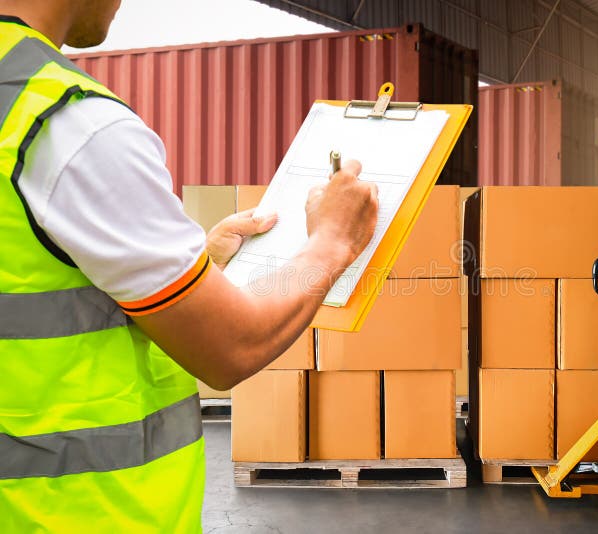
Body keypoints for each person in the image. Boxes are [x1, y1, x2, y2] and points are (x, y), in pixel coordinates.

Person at [0, 1, 378, 531]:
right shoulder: (65, 122)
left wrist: (194, 265)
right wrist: (332, 242)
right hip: (81, 513)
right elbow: (232, 346)